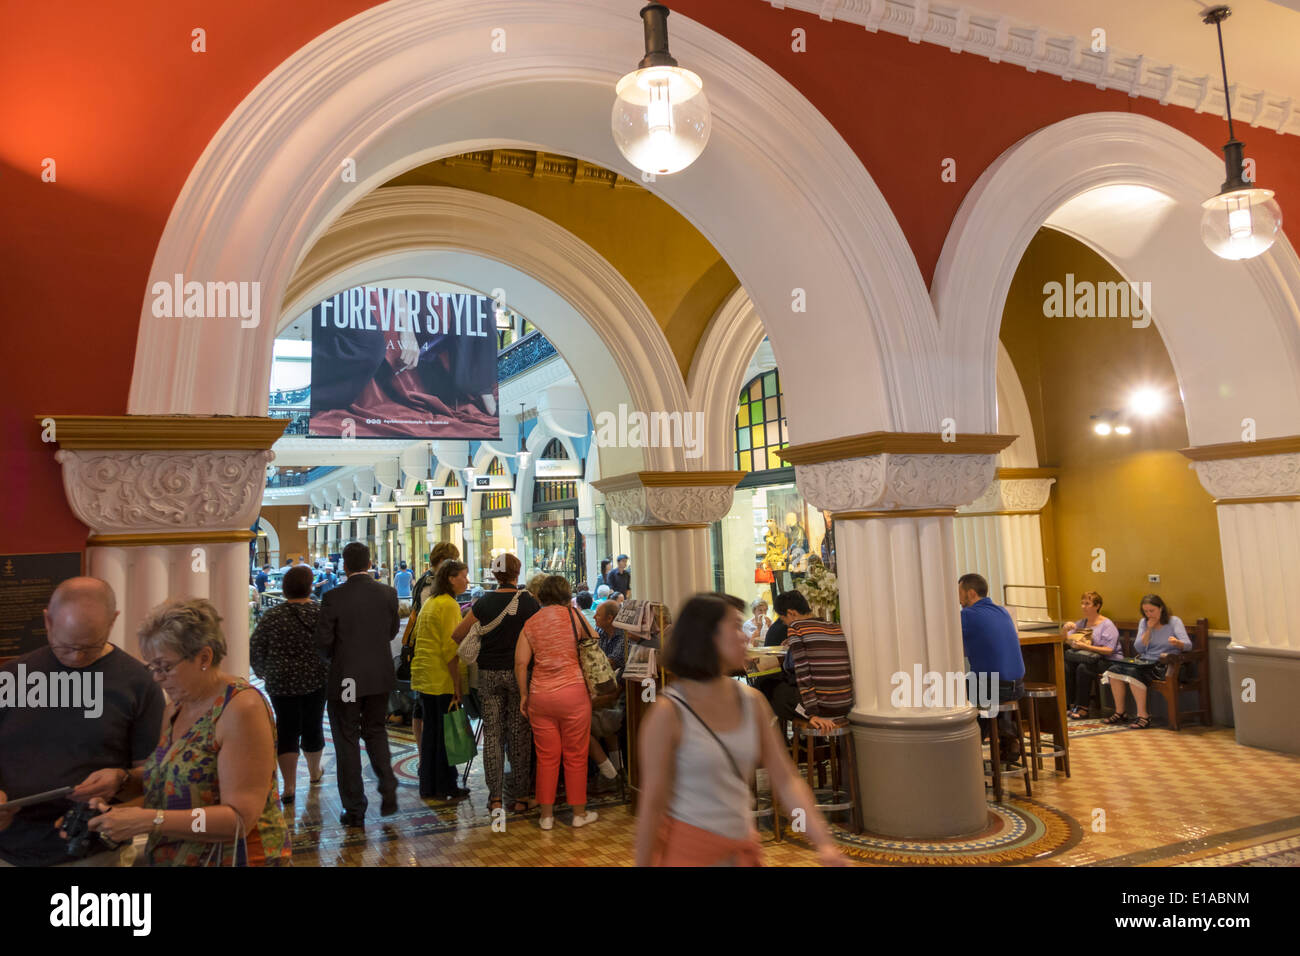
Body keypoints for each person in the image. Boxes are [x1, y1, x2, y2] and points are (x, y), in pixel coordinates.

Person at [634, 594, 843, 866]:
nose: (744, 636)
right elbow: (652, 805)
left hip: (741, 851)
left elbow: (786, 780)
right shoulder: (668, 713)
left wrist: (823, 843)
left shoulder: (751, 702)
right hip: (689, 855)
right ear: (706, 636)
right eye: (734, 626)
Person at [85, 598, 290, 866]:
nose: (156, 677)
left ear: (204, 657)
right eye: (152, 667)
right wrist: (116, 798)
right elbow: (172, 790)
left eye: (165, 667)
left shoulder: (240, 708)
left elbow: (239, 819)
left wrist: (147, 820)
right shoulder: (175, 709)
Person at [0, 578, 165, 868]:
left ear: (112, 622)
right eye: (65, 647)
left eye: (89, 647)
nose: (76, 657)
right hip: (10, 850)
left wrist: (122, 779)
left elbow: (154, 779)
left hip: (96, 854)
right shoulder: (12, 676)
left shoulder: (139, 683)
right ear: (48, 622)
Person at [315, 541, 400, 827]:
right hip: (379, 676)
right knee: (376, 731)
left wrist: (337, 658)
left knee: (347, 739)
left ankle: (354, 809)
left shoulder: (333, 597)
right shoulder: (387, 594)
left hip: (346, 679)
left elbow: (324, 643)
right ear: (369, 563)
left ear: (345, 565)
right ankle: (388, 786)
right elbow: (391, 632)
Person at [450, 553, 539, 813]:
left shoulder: (484, 602)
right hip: (519, 675)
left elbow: (458, 634)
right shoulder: (528, 602)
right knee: (519, 734)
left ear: (494, 573)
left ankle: (496, 798)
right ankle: (521, 797)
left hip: (489, 674)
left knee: (493, 736)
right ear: (517, 572)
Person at [515, 575, 595, 830]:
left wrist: (524, 695)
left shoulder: (531, 622)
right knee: (576, 755)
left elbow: (520, 663)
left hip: (540, 696)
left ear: (540, 595)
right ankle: (578, 814)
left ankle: (546, 816)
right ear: (565, 593)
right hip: (574, 693)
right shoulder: (575, 615)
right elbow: (594, 639)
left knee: (546, 757)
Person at [249, 565, 328, 804]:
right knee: (313, 724)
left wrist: (263, 671)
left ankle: (290, 786)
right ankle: (314, 773)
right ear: (310, 586)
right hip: (317, 679)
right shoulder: (321, 613)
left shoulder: (273, 616)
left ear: (284, 588)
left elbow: (255, 647)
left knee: (286, 729)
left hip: (281, 682)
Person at [411, 559, 471, 801]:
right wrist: (457, 685)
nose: (466, 580)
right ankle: (445, 785)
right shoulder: (448, 605)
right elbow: (450, 649)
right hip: (440, 678)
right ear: (450, 578)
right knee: (444, 735)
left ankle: (431, 785)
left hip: (425, 676)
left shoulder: (431, 602)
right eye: (463, 576)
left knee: (432, 734)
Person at [958, 573, 1026, 765]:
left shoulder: (968, 615)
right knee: (984, 688)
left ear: (971, 593)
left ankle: (969, 756)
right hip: (1018, 686)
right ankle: (1008, 738)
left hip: (995, 687)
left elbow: (945, 636)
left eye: (960, 594)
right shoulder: (1002, 611)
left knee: (954, 691)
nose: (958, 599)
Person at [1102, 594, 1192, 730]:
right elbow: (1138, 647)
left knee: (1133, 672)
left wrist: (1177, 643)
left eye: (1152, 611)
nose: (1149, 614)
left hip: (1165, 664)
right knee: (1114, 669)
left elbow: (1188, 645)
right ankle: (1120, 712)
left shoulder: (1174, 621)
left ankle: (1143, 715)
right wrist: (1149, 629)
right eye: (1146, 611)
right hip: (1146, 661)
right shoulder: (1144, 623)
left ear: (1161, 608)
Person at [407, 541, 461, 749]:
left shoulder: (423, 580)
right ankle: (430, 755)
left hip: (423, 658)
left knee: (421, 708)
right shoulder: (433, 586)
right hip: (433, 663)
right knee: (427, 712)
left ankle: (426, 756)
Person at [769, 602, 853, 729]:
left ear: (792, 613)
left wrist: (812, 714)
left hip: (821, 709)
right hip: (845, 705)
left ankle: (784, 743)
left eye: (783, 619)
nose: (785, 624)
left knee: (768, 686)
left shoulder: (796, 627)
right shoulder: (835, 626)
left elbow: (801, 672)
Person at [1062, 591, 1121, 719]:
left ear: (1097, 606)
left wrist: (1085, 646)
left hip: (1108, 660)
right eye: (1082, 603)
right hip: (1089, 658)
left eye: (1087, 604)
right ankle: (1071, 704)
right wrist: (1065, 630)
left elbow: (1109, 650)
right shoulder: (1081, 623)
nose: (1083, 606)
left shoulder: (1107, 624)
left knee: (1083, 668)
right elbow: (1066, 640)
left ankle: (1083, 707)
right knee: (1067, 665)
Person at [588, 599, 627, 792]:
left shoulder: (623, 637)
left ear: (610, 618)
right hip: (605, 687)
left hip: (618, 690)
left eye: (599, 614)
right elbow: (598, 662)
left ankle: (610, 771)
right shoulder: (601, 634)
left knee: (581, 719)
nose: (594, 616)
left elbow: (607, 663)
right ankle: (615, 770)